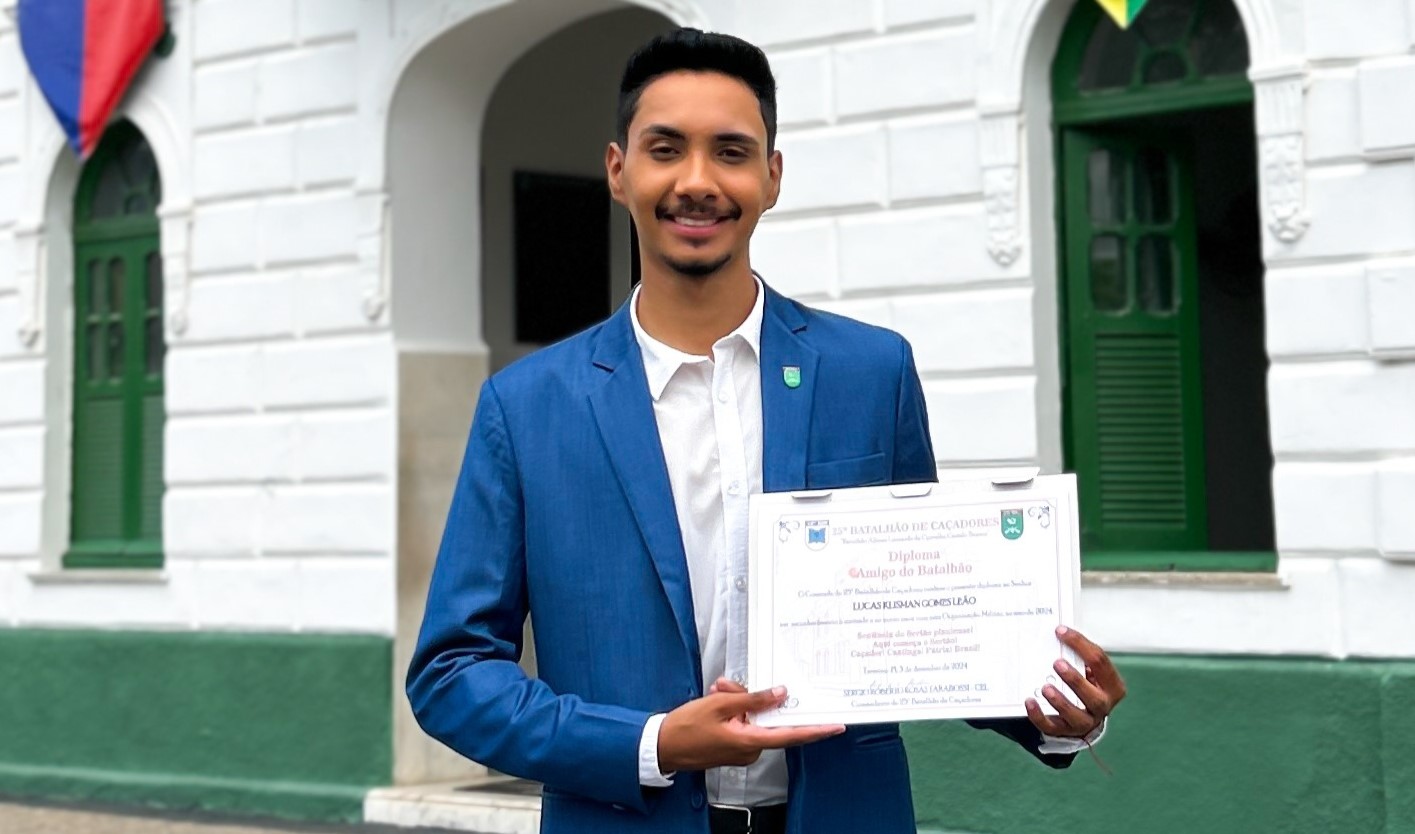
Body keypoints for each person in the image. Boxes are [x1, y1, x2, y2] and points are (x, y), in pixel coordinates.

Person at [407, 27, 1126, 834]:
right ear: (619, 170)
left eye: (731, 151)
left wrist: (1056, 714)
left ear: (771, 176)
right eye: (666, 149)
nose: (697, 181)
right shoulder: (526, 405)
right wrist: (649, 743)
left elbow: (924, 623)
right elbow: (452, 674)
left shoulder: (870, 372)